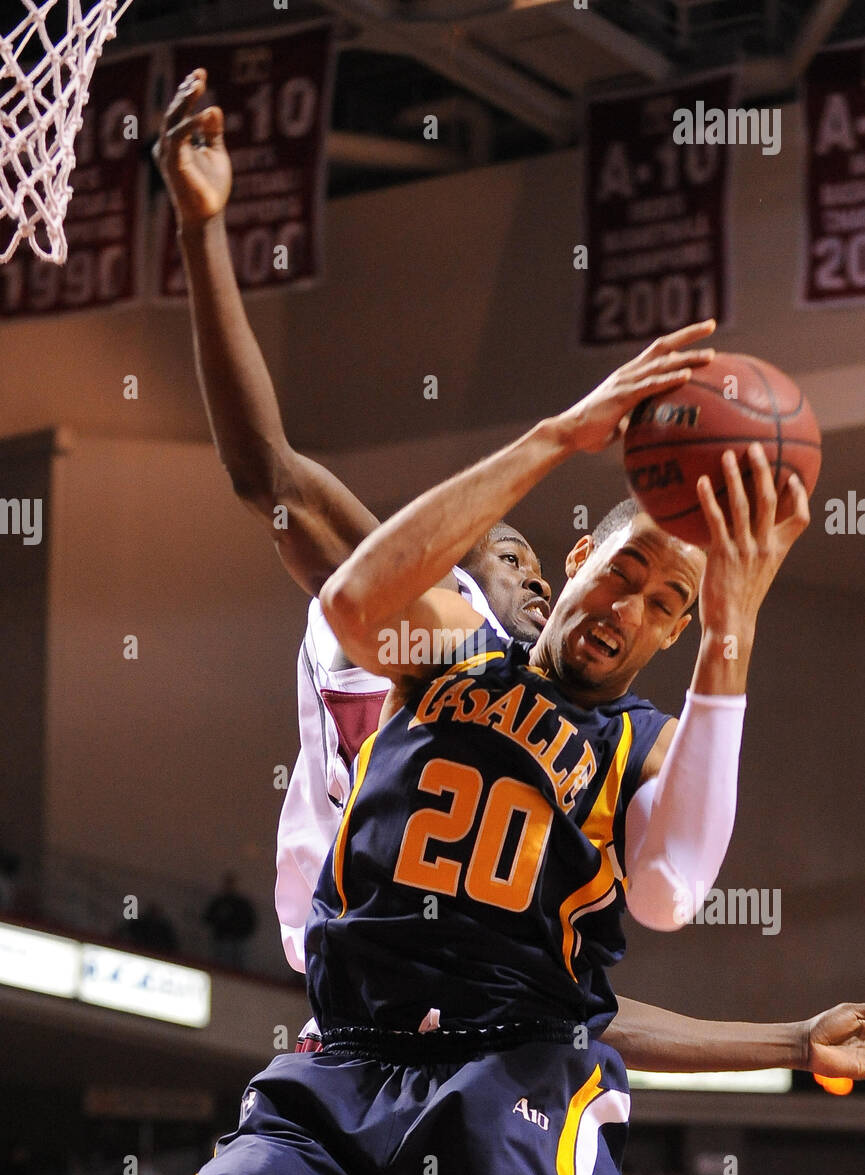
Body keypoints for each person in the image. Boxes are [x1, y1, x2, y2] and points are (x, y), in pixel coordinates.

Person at [150, 71, 865, 1089]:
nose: (521, 581)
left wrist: (789, 1046)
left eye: (666, 599)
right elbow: (267, 472)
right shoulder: (432, 635)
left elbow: (576, 1009)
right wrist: (200, 231)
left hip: (460, 1040)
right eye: (504, 560)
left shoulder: (612, 746)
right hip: (348, 985)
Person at [126, 314, 845, 1175]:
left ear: (679, 628)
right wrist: (561, 433)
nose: (621, 607)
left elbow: (665, 898)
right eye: (620, 572)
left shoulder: (639, 745)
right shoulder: (442, 656)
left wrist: (735, 624)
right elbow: (331, 568)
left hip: (500, 1095)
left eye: (664, 603)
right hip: (344, 1065)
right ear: (582, 554)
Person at [203, 872, 258, 971]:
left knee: (236, 964)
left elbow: (250, 921)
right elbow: (208, 917)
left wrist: (241, 933)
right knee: (221, 963)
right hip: (222, 939)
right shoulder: (220, 902)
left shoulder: (241, 904)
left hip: (237, 941)